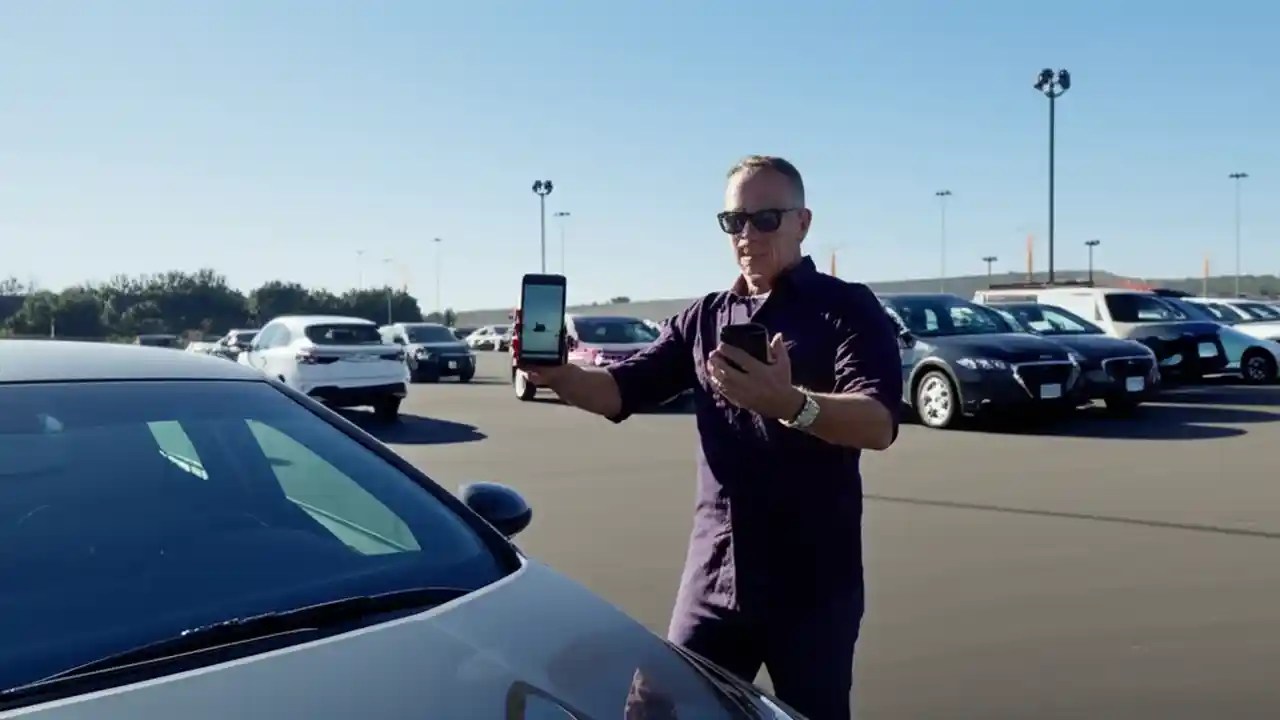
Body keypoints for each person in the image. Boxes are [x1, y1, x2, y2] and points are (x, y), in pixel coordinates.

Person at [523, 155, 901, 720]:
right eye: (734, 221)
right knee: (653, 709)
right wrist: (558, 375)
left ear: (803, 222)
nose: (748, 235)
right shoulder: (704, 319)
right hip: (715, 580)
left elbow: (878, 421)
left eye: (766, 219)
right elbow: (621, 388)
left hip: (813, 586)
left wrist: (790, 405)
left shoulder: (846, 309)